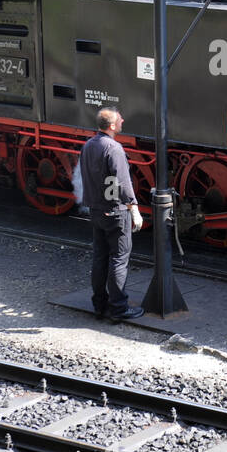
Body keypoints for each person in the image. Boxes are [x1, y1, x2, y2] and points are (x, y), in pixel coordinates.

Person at [79, 107, 144, 322]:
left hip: (95, 209)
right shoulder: (114, 149)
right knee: (119, 259)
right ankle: (118, 309)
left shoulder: (88, 145)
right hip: (115, 211)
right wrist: (133, 208)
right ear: (113, 125)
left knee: (100, 257)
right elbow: (123, 183)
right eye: (120, 119)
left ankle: (99, 305)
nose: (124, 119)